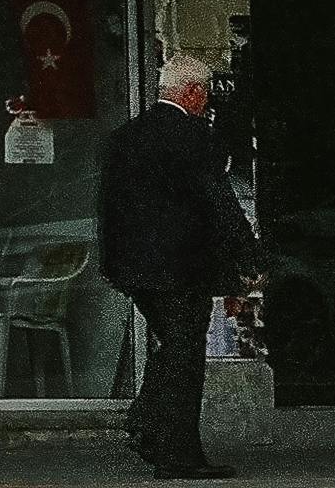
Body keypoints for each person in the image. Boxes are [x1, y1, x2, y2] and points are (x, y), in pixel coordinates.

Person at [99, 53, 259, 482]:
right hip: (183, 267)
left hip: (136, 267)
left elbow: (110, 208)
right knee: (185, 355)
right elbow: (219, 202)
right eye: (205, 95)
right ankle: (178, 452)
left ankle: (148, 427)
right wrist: (249, 256)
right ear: (192, 92)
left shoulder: (125, 137)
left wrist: (115, 261)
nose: (207, 103)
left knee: (172, 346)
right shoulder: (195, 138)